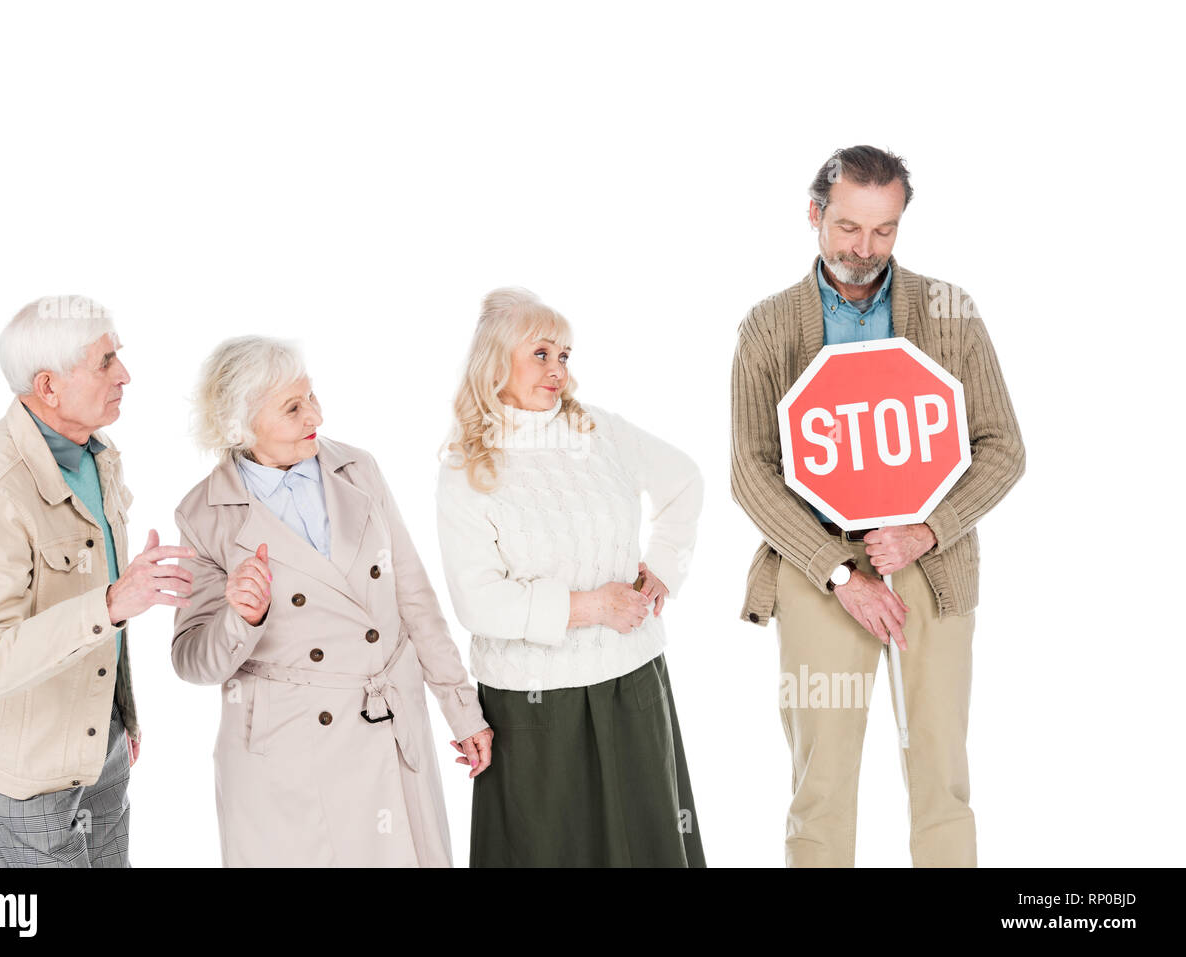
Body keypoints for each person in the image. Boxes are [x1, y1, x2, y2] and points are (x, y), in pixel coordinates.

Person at [730, 146, 1026, 867]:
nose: (864, 249)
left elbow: (1003, 448)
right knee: (821, 784)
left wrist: (928, 531)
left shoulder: (949, 310)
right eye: (848, 227)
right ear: (814, 214)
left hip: (933, 565)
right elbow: (751, 471)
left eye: (884, 230)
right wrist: (840, 573)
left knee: (941, 775)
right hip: (819, 568)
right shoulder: (768, 326)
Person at [171, 335, 491, 867]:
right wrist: (241, 618)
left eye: (311, 396)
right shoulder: (204, 513)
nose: (315, 415)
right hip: (290, 756)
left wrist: (462, 710)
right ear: (240, 424)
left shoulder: (357, 469)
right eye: (293, 408)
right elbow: (190, 661)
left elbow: (414, 598)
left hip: (388, 723)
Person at [436, 288, 705, 867]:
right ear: (495, 360)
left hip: (631, 681)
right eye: (540, 354)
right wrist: (591, 607)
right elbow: (477, 601)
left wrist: (662, 566)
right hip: (533, 704)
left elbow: (685, 480)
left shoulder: (599, 430)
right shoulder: (467, 466)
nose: (557, 369)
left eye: (564, 355)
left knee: (645, 845)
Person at [0, 295, 196, 867]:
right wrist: (111, 602)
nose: (125, 375)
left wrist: (123, 713)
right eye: (105, 362)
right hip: (25, 771)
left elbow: (100, 602)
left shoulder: (96, 453)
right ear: (48, 387)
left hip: (101, 740)